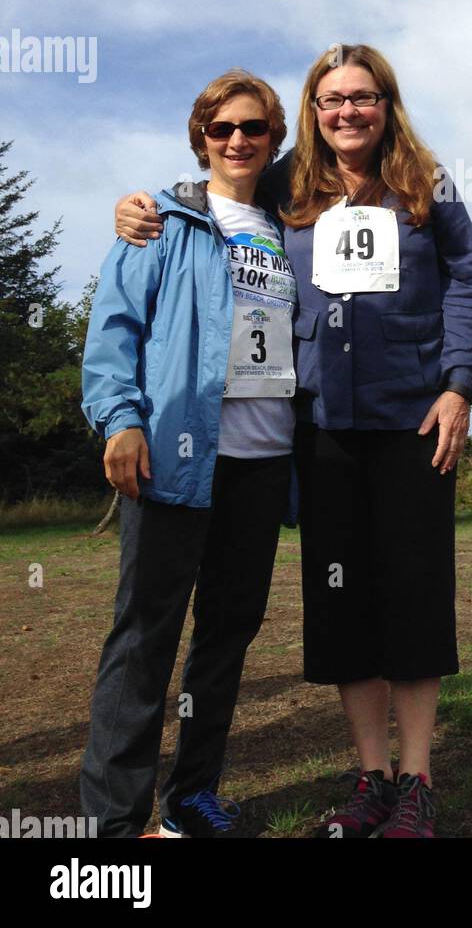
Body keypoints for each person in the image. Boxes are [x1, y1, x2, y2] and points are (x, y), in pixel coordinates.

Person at [115, 43, 472, 839]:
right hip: (318, 429)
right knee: (343, 606)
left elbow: (467, 280)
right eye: (331, 99)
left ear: (388, 103)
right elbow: (220, 188)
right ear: (314, 114)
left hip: (413, 423)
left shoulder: (429, 183)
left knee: (415, 600)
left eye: (363, 97)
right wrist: (139, 207)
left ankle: (416, 782)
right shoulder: (291, 183)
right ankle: (369, 779)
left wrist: (459, 384)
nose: (347, 111)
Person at [82, 70, 297, 838]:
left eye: (254, 129)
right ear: (201, 137)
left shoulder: (291, 227)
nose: (237, 141)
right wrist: (119, 421)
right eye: (221, 129)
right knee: (143, 641)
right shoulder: (159, 223)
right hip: (172, 459)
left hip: (263, 467)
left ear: (274, 141)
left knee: (226, 638)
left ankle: (193, 797)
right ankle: (116, 825)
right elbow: (114, 331)